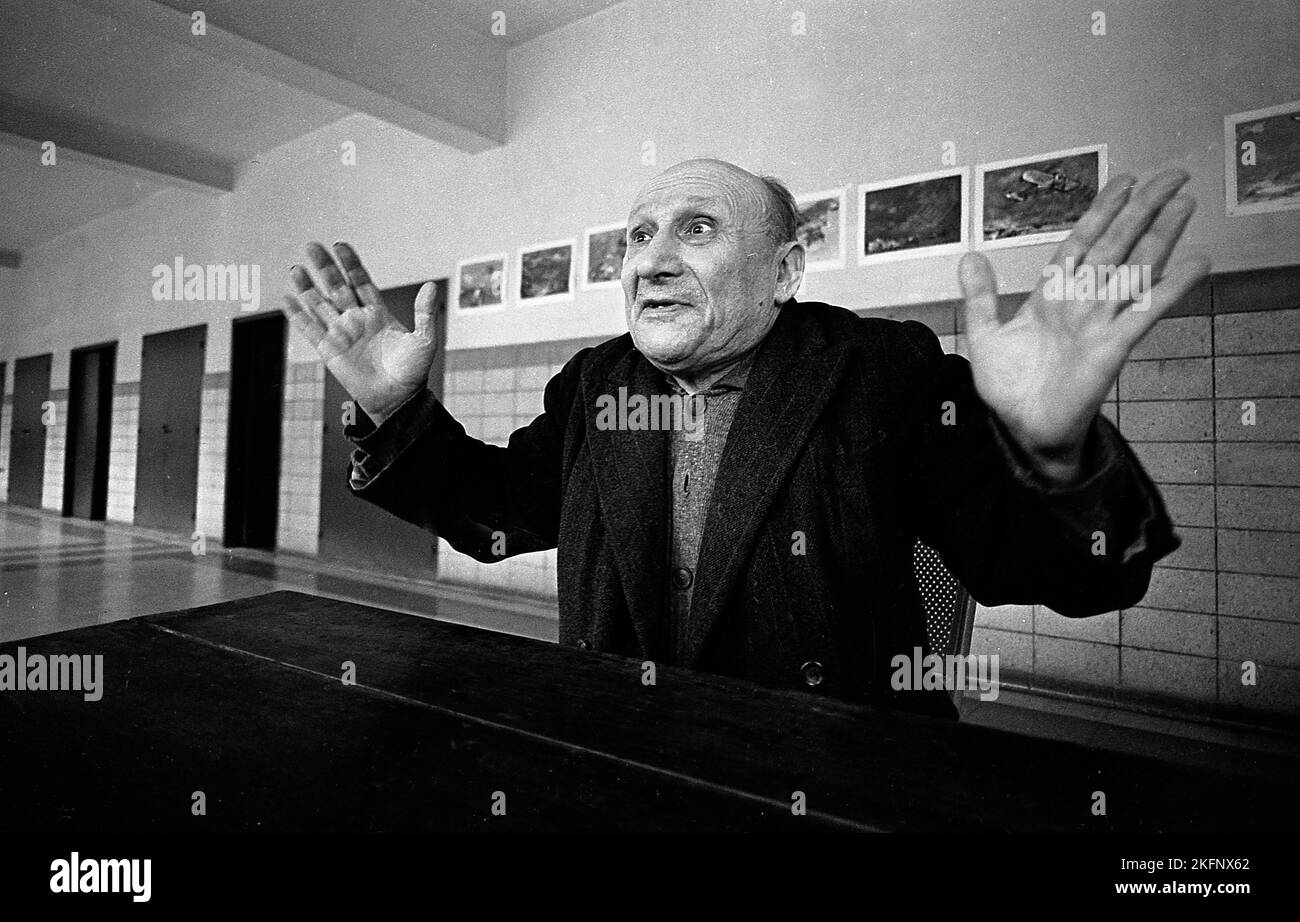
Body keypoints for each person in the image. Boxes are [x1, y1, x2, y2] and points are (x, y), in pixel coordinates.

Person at [282, 158, 1207, 718]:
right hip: (624, 758)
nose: (649, 259)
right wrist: (397, 411)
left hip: (838, 772)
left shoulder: (886, 371)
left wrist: (1054, 454)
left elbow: (1075, 574)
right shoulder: (596, 384)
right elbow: (496, 515)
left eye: (696, 229)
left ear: (785, 268)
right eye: (639, 236)